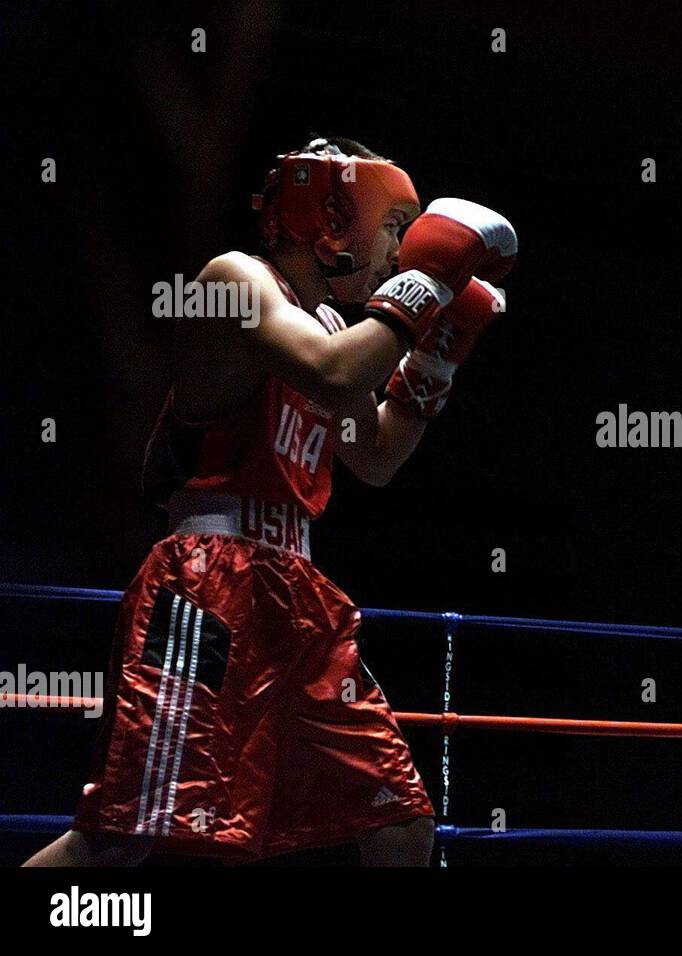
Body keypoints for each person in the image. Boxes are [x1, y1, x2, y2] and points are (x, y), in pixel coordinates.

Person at [24, 136, 516, 865]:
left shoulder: (331, 325)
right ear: (333, 216)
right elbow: (329, 371)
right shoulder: (235, 280)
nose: (400, 252)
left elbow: (376, 455)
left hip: (297, 596)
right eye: (393, 227)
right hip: (207, 581)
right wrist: (431, 281)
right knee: (126, 839)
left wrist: (438, 353)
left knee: (399, 819)